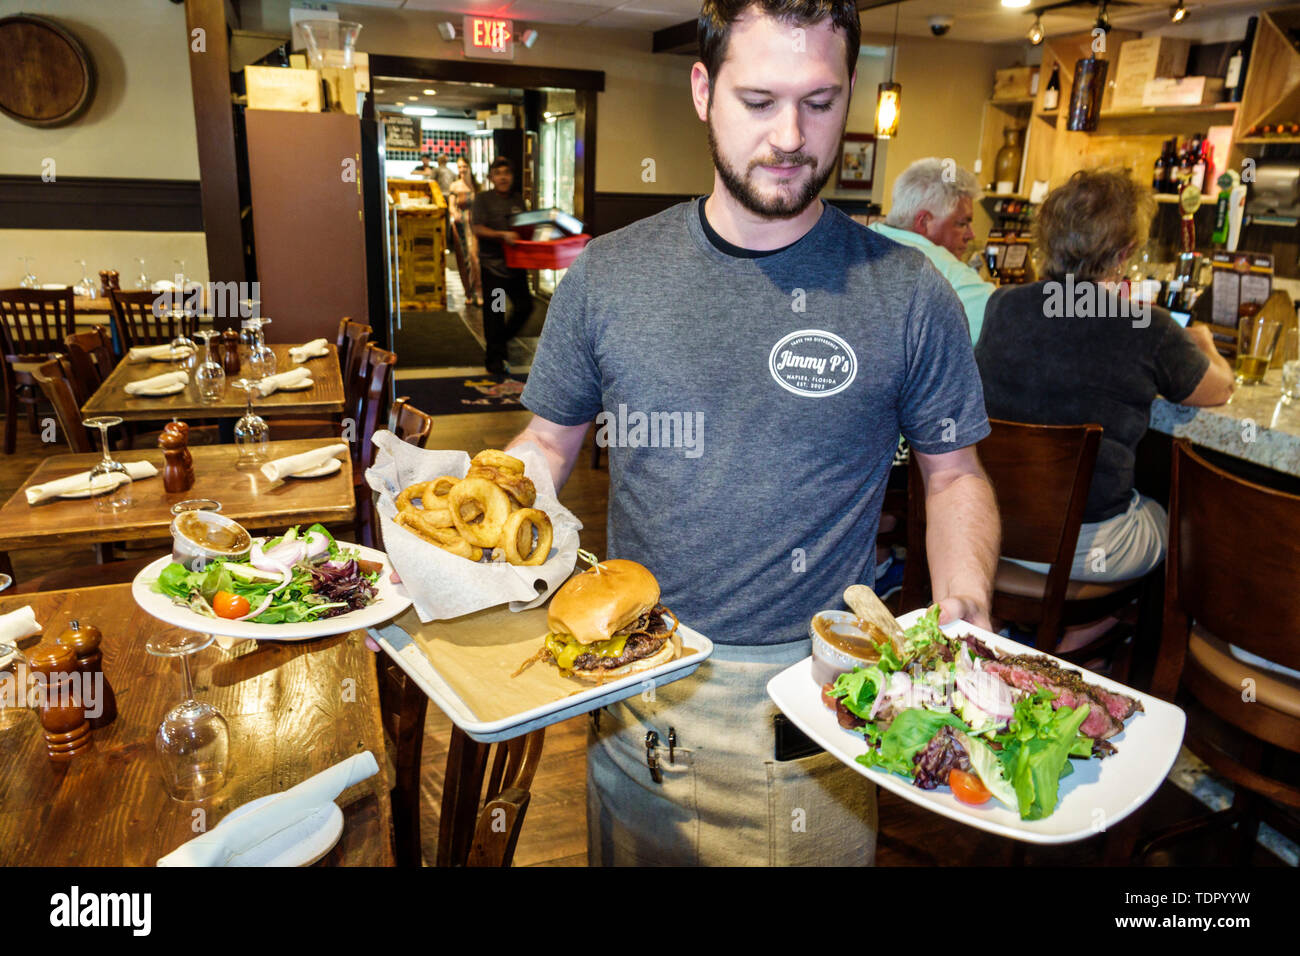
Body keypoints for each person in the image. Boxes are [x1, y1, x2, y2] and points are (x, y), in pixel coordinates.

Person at [506, 0, 999, 866]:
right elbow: (548, 445)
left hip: (812, 704)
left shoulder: (909, 292)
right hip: (635, 679)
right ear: (703, 90)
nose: (791, 135)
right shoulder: (612, 275)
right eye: (759, 100)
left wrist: (967, 598)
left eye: (819, 102)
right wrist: (478, 524)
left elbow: (953, 473)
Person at [974, 168, 1234, 652]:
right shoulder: (1145, 323)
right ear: (1123, 253)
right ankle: (1088, 640)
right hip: (1082, 550)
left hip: (995, 526)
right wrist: (1203, 343)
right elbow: (1218, 390)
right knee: (1176, 518)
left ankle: (1055, 633)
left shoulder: (1003, 305)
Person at [869, 158, 994, 341]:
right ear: (924, 222)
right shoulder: (953, 277)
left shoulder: (855, 246)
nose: (971, 235)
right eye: (962, 223)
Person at [472, 156, 532, 375]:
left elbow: (526, 227)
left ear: (512, 177)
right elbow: (477, 229)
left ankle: (501, 340)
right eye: (498, 173)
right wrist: (502, 235)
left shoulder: (518, 200)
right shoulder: (483, 200)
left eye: (507, 173)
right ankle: (494, 359)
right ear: (491, 177)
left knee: (525, 307)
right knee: (496, 312)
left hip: (517, 266)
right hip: (494, 268)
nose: (503, 177)